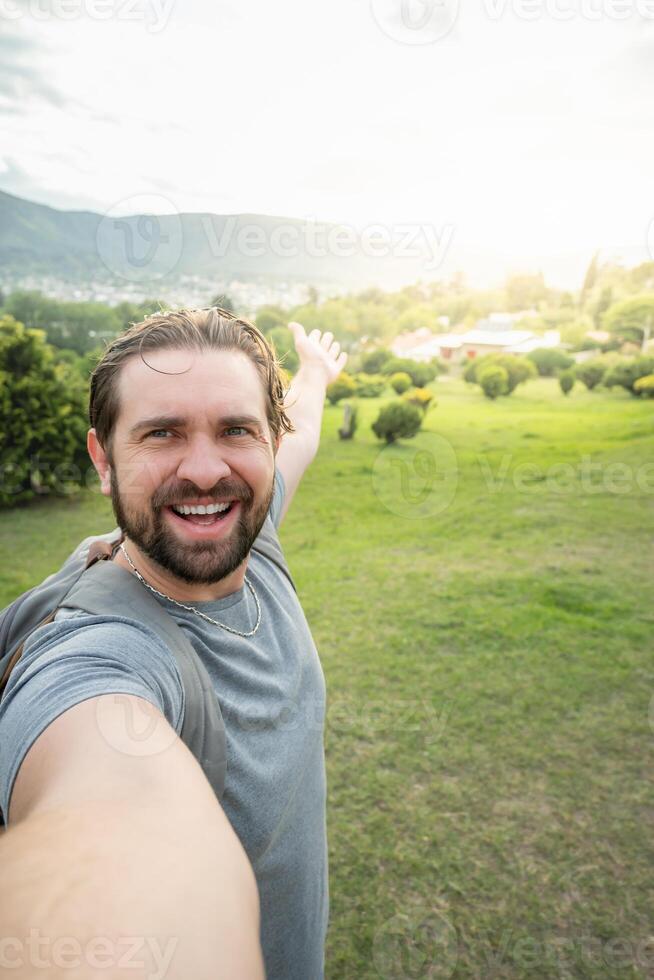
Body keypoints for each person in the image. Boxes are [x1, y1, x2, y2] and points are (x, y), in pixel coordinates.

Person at [0, 308, 347, 980]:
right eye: (162, 433)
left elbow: (299, 430)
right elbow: (108, 817)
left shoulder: (252, 537)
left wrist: (315, 372)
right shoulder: (96, 655)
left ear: (271, 441)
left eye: (236, 429)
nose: (207, 470)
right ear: (104, 458)